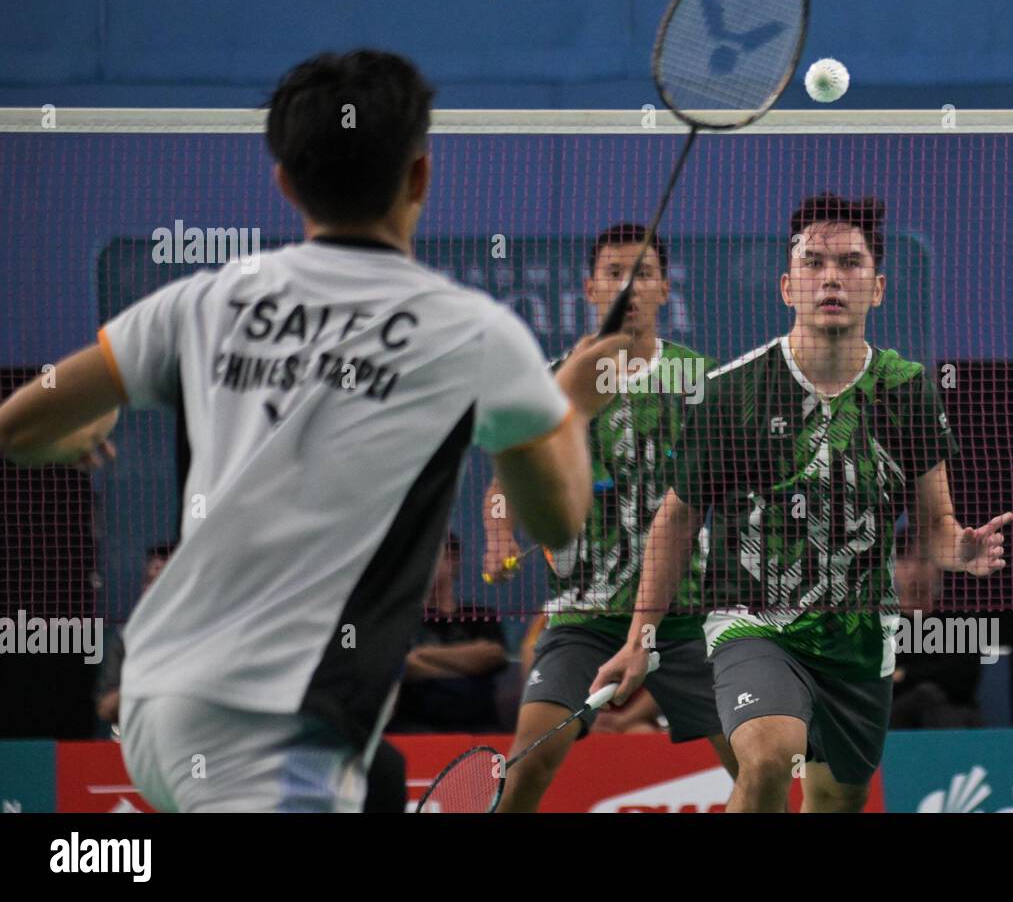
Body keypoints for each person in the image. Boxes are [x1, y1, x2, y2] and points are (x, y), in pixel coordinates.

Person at [0, 49, 629, 812]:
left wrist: (66, 438)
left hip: (156, 699)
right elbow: (557, 520)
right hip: (271, 728)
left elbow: (19, 424)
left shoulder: (203, 302)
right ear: (421, 176)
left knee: (380, 786)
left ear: (285, 181)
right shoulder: (468, 332)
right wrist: (570, 409)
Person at [594, 193, 1013, 812]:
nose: (832, 277)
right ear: (788, 286)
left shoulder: (907, 391)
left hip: (860, 633)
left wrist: (961, 550)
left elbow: (934, 528)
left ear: (878, 287)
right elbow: (678, 518)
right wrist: (639, 638)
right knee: (767, 758)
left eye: (850, 262)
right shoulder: (731, 393)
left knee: (835, 803)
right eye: (814, 263)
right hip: (753, 619)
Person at [484, 222, 738, 813]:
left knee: (757, 766)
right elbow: (504, 484)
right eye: (615, 274)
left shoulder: (704, 382)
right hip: (584, 612)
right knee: (529, 758)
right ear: (591, 288)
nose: (629, 287)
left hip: (687, 613)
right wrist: (499, 534)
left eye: (643, 273)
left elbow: (740, 478)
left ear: (666, 290)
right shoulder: (553, 383)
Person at [389, 533, 508, 732]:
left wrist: (422, 654)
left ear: (452, 560)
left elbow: (491, 654)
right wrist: (465, 668)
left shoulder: (480, 616)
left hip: (480, 730)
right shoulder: (400, 619)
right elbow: (401, 665)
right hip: (414, 730)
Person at [889, 533, 982, 729]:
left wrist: (904, 675)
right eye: (904, 561)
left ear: (939, 567)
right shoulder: (875, 624)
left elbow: (963, 681)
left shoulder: (962, 619)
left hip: (948, 716)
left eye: (923, 560)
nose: (914, 570)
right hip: (893, 718)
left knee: (930, 697)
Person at [95, 541, 176, 728]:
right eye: (150, 581)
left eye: (165, 582)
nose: (155, 590)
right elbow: (105, 707)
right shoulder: (125, 638)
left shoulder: (208, 634)